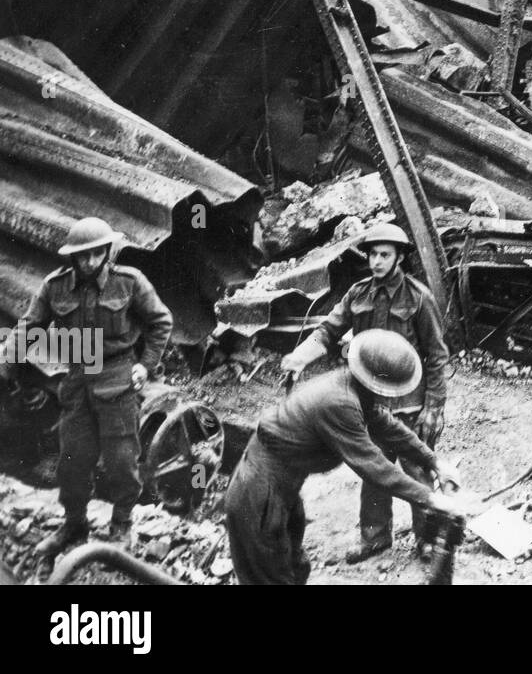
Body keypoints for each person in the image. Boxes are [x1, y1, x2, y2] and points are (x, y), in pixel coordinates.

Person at [226, 330, 457, 585]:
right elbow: (373, 466)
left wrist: (434, 462)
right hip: (261, 489)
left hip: (281, 485)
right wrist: (429, 497)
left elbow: (387, 426)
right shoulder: (340, 403)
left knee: (295, 565)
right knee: (270, 575)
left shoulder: (352, 386)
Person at [0, 218, 172, 556]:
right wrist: (5, 366)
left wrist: (145, 365)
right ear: (73, 258)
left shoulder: (130, 282)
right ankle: (75, 524)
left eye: (97, 254)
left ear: (107, 252)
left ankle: (121, 526)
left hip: (118, 376)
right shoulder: (55, 287)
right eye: (83, 256)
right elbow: (29, 327)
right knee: (72, 460)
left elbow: (160, 321)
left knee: (122, 460)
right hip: (78, 377)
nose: (90, 262)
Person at [281, 222, 448, 563]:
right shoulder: (358, 294)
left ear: (399, 257)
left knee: (417, 470)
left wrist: (434, 407)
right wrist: (300, 357)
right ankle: (375, 538)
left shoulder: (418, 297)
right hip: (370, 401)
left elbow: (437, 355)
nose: (377, 261)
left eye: (385, 255)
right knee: (373, 469)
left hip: (409, 403)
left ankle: (427, 540)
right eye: (373, 254)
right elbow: (328, 332)